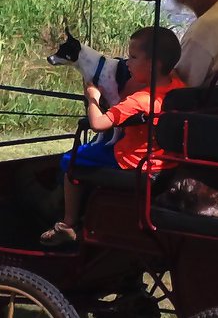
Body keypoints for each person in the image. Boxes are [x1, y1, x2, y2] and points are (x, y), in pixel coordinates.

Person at [40, 27, 185, 246]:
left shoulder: (138, 102)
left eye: (134, 57)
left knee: (70, 161)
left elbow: (98, 124)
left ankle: (69, 223)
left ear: (154, 64)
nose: (127, 62)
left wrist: (93, 98)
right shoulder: (178, 87)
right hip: (163, 161)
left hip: (131, 160)